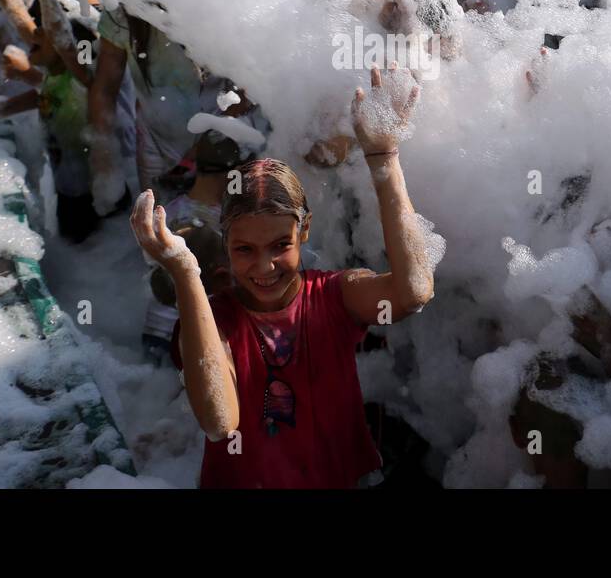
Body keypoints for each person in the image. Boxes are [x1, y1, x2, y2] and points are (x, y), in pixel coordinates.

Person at [131, 66, 434, 488]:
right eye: (244, 250)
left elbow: (413, 292)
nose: (264, 267)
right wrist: (185, 275)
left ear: (304, 231)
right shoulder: (210, 321)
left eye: (280, 245)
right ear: (225, 241)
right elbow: (220, 422)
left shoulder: (333, 296)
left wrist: (384, 160)